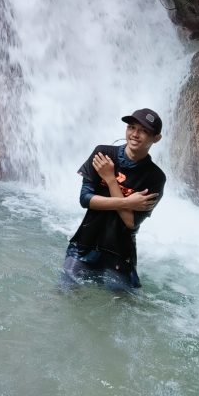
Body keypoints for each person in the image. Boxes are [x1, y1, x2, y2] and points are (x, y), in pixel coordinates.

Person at [61, 109, 166, 291]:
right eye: (131, 127)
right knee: (64, 294)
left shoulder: (155, 177)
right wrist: (127, 202)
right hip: (84, 245)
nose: (135, 134)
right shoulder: (103, 154)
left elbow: (130, 222)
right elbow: (85, 199)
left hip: (119, 253)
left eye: (144, 131)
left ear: (156, 138)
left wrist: (110, 180)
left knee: (122, 309)